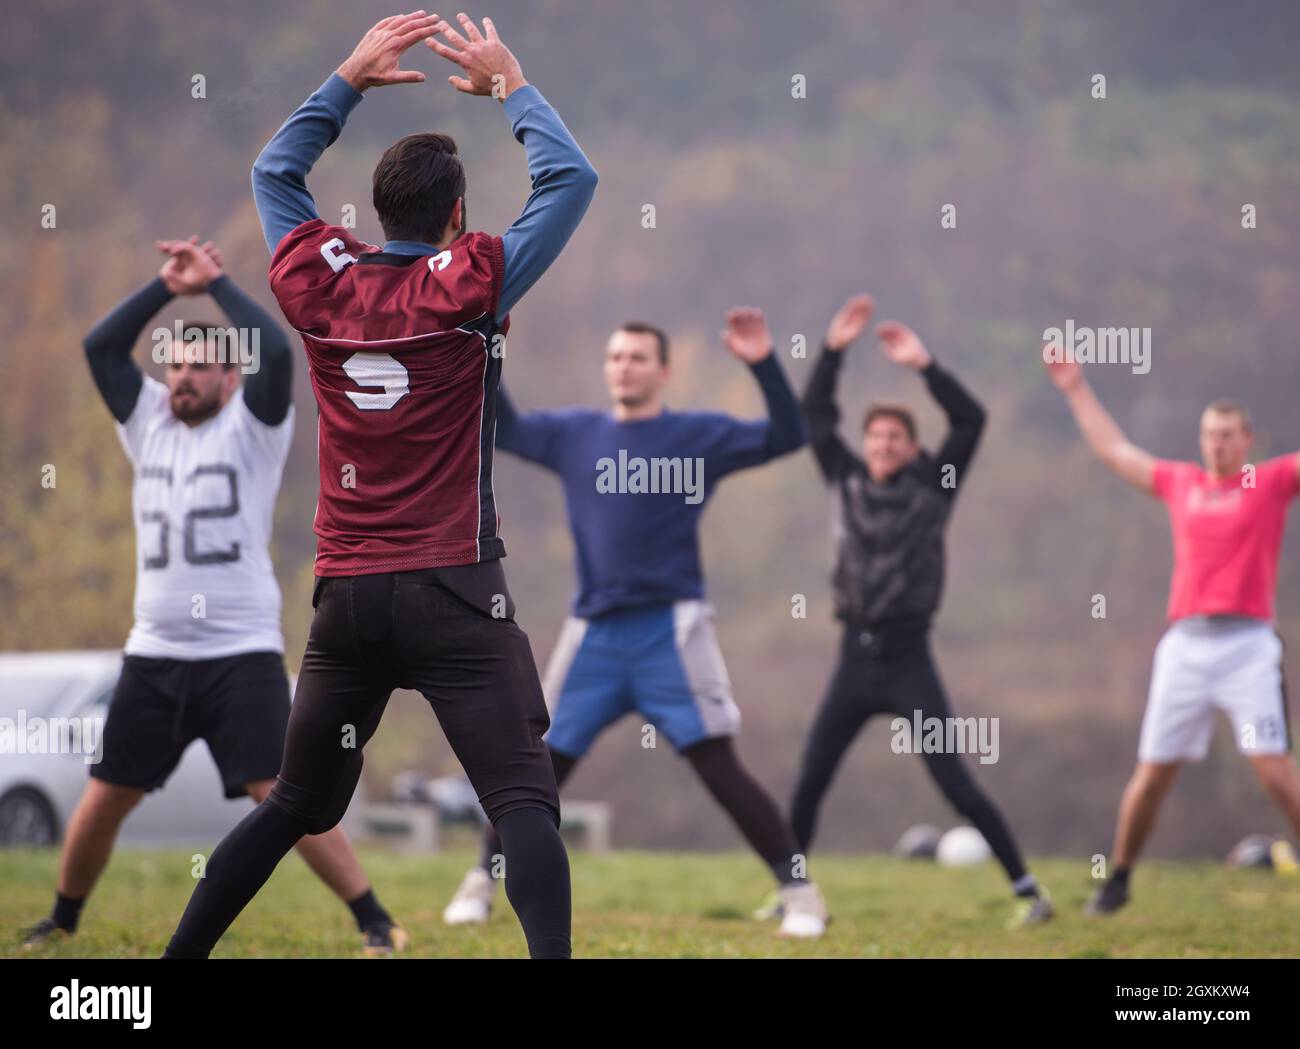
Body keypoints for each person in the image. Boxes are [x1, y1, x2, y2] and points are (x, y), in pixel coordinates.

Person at [164, 11, 596, 959]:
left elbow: (273, 173)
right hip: (453, 585)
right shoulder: (472, 279)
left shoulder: (323, 280)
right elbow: (571, 180)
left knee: (294, 806)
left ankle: (164, 978)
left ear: (374, 207)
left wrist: (349, 78)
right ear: (455, 219)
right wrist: (512, 85)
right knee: (523, 802)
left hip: (348, 596)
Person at [23, 236, 405, 956]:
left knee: (283, 793)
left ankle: (375, 918)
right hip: (157, 651)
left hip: (240, 650)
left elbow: (278, 351)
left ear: (232, 379)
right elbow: (102, 346)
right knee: (106, 794)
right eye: (176, 365)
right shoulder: (147, 425)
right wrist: (169, 288)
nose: (183, 378)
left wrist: (217, 285)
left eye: (201, 366)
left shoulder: (253, 427)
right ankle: (63, 919)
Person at [442, 310, 830, 938]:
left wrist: (762, 362)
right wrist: (488, 344)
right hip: (594, 632)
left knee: (719, 766)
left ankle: (800, 891)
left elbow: (789, 436)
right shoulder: (575, 434)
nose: (624, 366)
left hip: (671, 634)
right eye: (616, 356)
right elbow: (504, 428)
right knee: (534, 766)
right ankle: (481, 880)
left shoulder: (698, 436)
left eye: (638, 357)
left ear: (664, 370)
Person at [790, 293, 1053, 927]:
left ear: (912, 448)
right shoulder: (844, 477)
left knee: (955, 783)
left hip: (909, 659)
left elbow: (971, 421)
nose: (881, 444)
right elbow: (816, 416)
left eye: (895, 437)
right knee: (811, 780)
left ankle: (1027, 891)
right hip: (853, 656)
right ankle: (791, 890)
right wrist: (831, 351)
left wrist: (924, 366)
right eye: (875, 435)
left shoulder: (934, 485)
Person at [1045, 353, 1300, 915]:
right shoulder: (1180, 483)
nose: (1218, 445)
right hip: (1185, 647)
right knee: (1154, 773)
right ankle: (1119, 879)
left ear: (1248, 440)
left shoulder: (1270, 481)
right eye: (1210, 435)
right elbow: (1115, 451)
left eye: (1228, 435)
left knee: (1275, 773)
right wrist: (1075, 389)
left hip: (1248, 646)